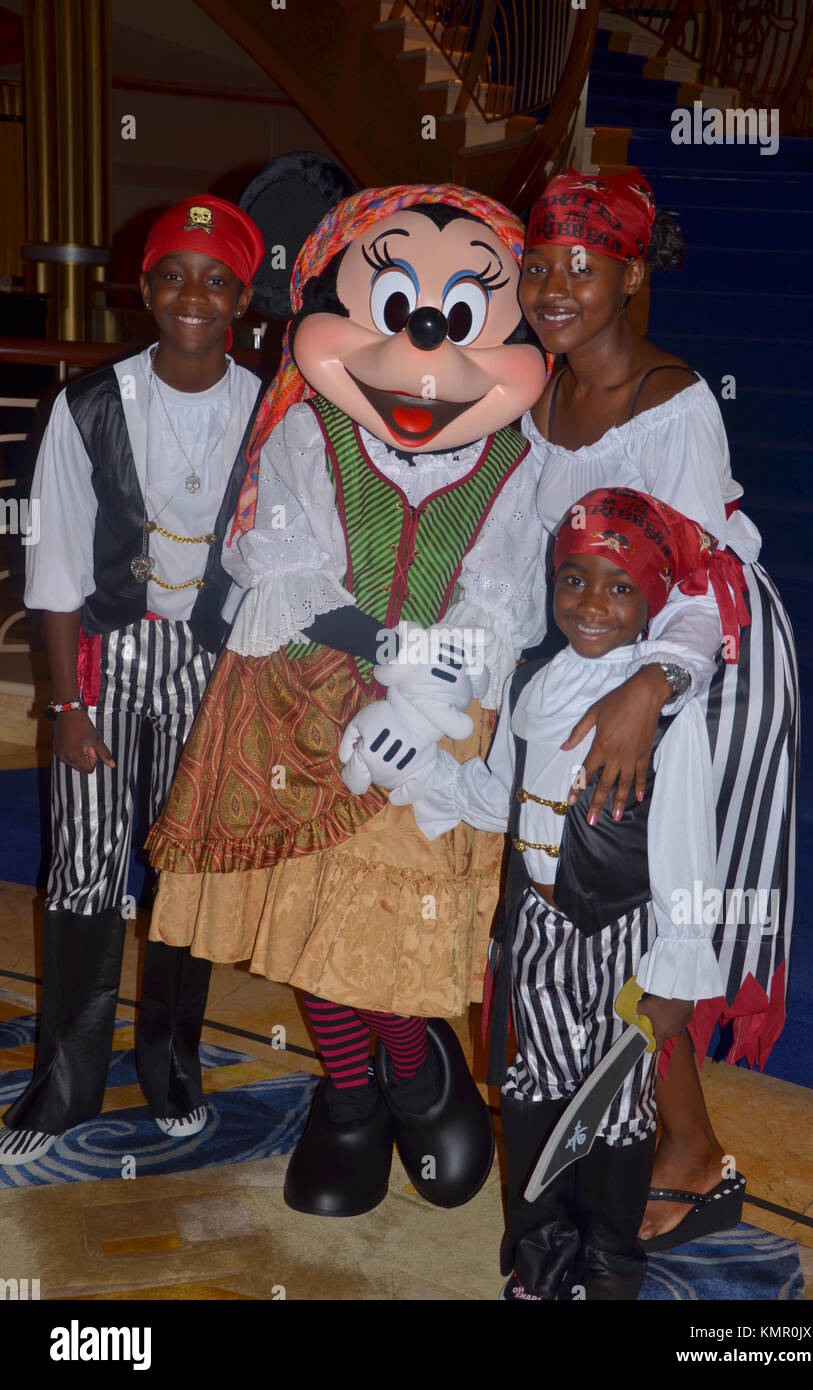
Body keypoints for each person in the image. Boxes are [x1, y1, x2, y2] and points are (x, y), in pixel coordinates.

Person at [144, 158, 551, 1216]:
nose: (423, 343)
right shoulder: (308, 433)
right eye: (396, 305)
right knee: (309, 924)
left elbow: (505, 598)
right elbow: (280, 563)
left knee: (395, 940)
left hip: (439, 727)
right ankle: (357, 1098)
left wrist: (427, 680)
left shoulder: (521, 462)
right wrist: (380, 647)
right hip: (298, 703)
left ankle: (417, 1074)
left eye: (463, 315)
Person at [518, 169, 799, 1247]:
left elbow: (702, 581)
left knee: (650, 899)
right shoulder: (538, 387)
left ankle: (692, 1152)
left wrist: (651, 689)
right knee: (591, 901)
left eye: (581, 268)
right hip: (604, 646)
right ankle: (657, 1132)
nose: (554, 285)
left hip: (701, 658)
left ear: (631, 275)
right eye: (539, 265)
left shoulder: (675, 402)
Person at [403, 486, 747, 1299]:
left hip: (624, 930)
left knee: (617, 1102)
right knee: (534, 1092)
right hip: (540, 926)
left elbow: (688, 855)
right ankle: (540, 1255)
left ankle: (608, 1263)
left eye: (620, 587)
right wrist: (420, 776)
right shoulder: (530, 682)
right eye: (574, 580)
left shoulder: (663, 711)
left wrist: (673, 979)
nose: (592, 604)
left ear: (652, 600)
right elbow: (502, 795)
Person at [0, 195, 266, 1166]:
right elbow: (57, 567)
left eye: (215, 279)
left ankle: (173, 1061)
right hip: (105, 658)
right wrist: (66, 705)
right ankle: (65, 1080)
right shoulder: (86, 404)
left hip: (215, 664)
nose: (192, 296)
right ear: (144, 287)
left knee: (186, 867)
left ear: (242, 295)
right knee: (84, 865)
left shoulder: (273, 410)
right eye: (173, 275)